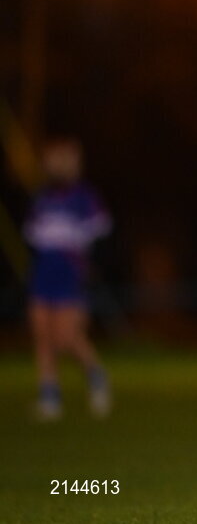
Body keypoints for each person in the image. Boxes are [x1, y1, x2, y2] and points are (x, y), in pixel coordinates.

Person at [25, 137, 112, 420]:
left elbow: (100, 229)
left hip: (69, 271)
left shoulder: (83, 196)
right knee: (42, 334)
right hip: (43, 270)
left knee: (65, 338)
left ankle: (96, 375)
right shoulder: (42, 198)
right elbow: (34, 232)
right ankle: (49, 396)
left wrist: (82, 251)